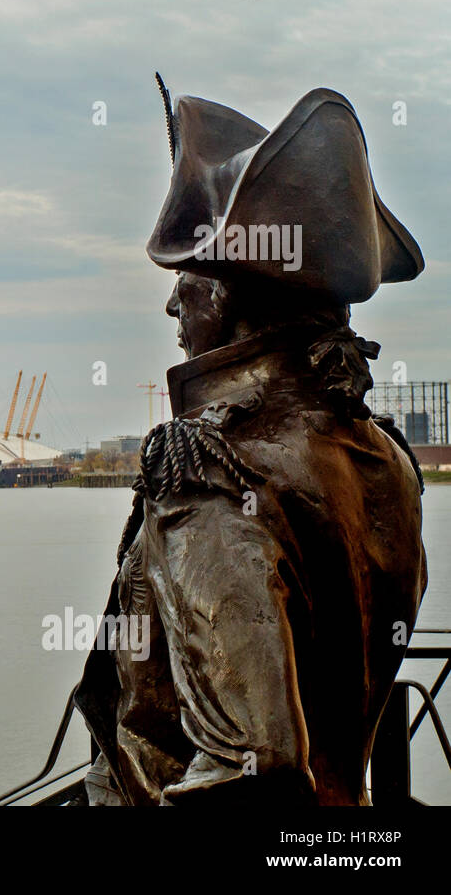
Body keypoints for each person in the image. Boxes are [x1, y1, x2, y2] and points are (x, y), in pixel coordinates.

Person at [74, 83, 428, 804]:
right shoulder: (389, 460)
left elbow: (254, 769)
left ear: (229, 292)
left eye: (186, 278)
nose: (173, 302)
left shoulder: (208, 472)